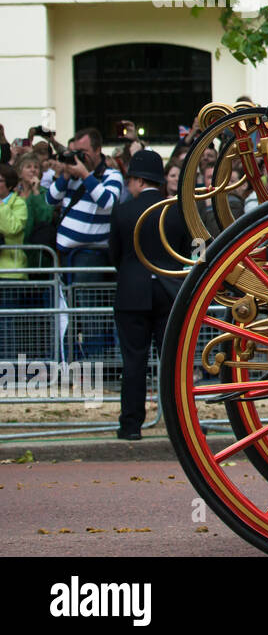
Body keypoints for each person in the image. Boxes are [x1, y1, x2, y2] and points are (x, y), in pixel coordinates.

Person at [108, 150, 189, 441]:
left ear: (139, 181)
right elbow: (185, 250)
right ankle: (180, 425)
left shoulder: (123, 211)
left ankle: (131, 425)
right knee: (172, 362)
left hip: (131, 292)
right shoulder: (177, 210)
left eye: (131, 179)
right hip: (169, 292)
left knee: (133, 363)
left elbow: (115, 255)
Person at [44, 127, 123, 284]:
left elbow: (108, 203)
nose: (79, 156)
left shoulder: (111, 175)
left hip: (89, 255)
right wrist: (65, 175)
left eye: (83, 151)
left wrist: (85, 175)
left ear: (97, 150)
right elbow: (50, 200)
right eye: (76, 151)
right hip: (63, 253)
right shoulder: (72, 176)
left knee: (85, 304)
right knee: (66, 304)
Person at [0, 164, 27, 280]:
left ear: (10, 185)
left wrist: (1, 205)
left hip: (10, 271)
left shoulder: (19, 203)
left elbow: (12, 229)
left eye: (0, 181)